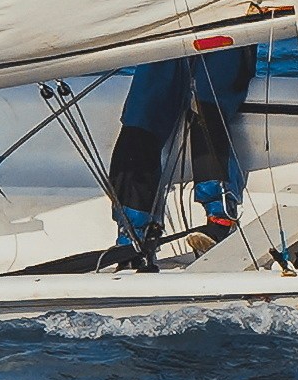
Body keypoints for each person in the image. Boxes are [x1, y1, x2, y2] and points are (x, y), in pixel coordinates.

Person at [104, 45, 255, 267]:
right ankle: (132, 236)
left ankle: (221, 219)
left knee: (207, 104)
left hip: (226, 22)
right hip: (169, 25)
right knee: (141, 117)